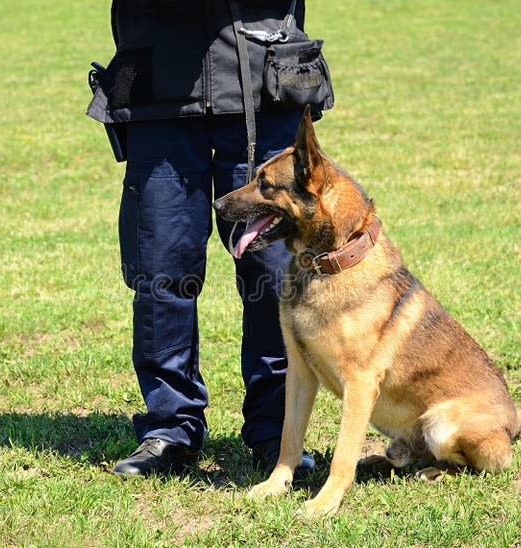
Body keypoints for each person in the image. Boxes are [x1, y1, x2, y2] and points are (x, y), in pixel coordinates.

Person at [86, 0, 333, 477]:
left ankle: (277, 432)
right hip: (159, 86)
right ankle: (168, 429)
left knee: (274, 276)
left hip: (264, 79)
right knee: (162, 270)